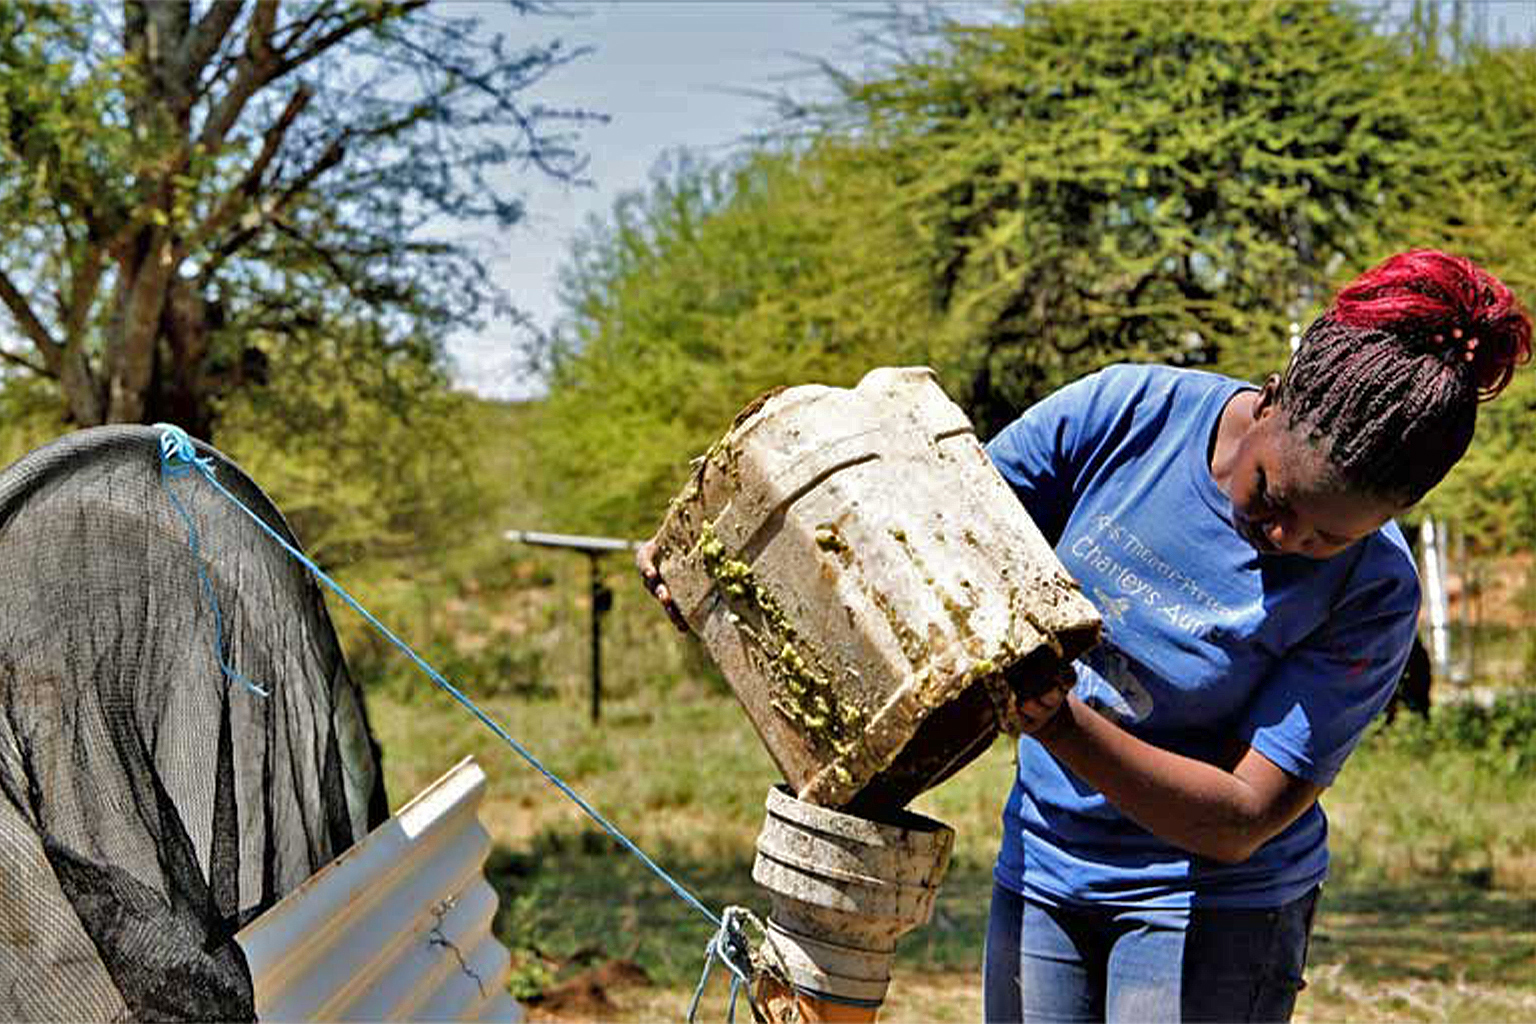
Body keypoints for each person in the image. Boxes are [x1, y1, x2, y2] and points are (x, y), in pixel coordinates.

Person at [636, 248, 1531, 1023]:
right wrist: (724, 567)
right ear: (1273, 401)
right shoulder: (1127, 415)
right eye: (1272, 497)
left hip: (1212, 907)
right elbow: (919, 533)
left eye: (1329, 534)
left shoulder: (1372, 594)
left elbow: (1241, 819)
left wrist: (1062, 726)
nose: (1287, 539)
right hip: (1046, 868)